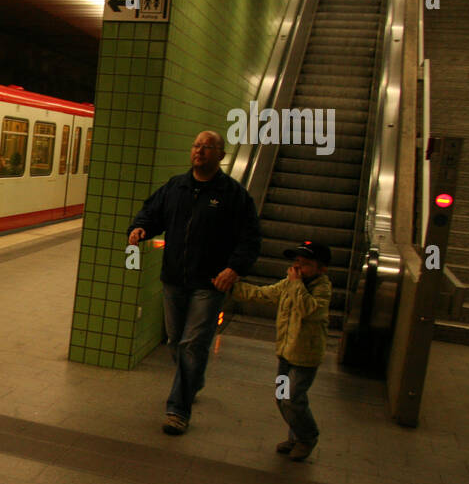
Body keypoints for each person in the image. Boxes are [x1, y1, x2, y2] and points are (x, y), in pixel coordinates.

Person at [127, 130, 261, 435]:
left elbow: (250, 238)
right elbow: (152, 214)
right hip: (174, 278)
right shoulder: (177, 186)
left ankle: (178, 410)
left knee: (191, 344)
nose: (199, 151)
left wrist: (234, 269)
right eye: (196, 146)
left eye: (207, 147)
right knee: (176, 342)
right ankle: (194, 378)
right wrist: (140, 229)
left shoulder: (234, 195)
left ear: (221, 156)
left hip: (211, 282)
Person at [231, 241, 332, 461]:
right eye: (296, 262)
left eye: (305, 264)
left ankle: (307, 437)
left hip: (305, 358)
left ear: (321, 268)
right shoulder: (290, 283)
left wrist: (296, 284)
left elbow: (308, 310)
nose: (297, 268)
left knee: (293, 399)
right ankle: (295, 436)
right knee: (281, 398)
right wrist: (233, 288)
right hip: (286, 354)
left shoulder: (322, 289)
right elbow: (264, 294)